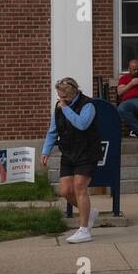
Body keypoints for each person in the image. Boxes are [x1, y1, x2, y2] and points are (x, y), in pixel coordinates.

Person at [41, 77, 101, 244]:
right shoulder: (60, 106)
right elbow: (53, 130)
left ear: (73, 93)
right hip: (68, 153)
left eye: (64, 97)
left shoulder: (88, 105)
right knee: (65, 191)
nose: (61, 100)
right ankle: (90, 213)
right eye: (59, 96)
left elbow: (82, 124)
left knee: (79, 187)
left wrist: (66, 108)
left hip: (87, 152)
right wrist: (46, 150)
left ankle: (84, 230)